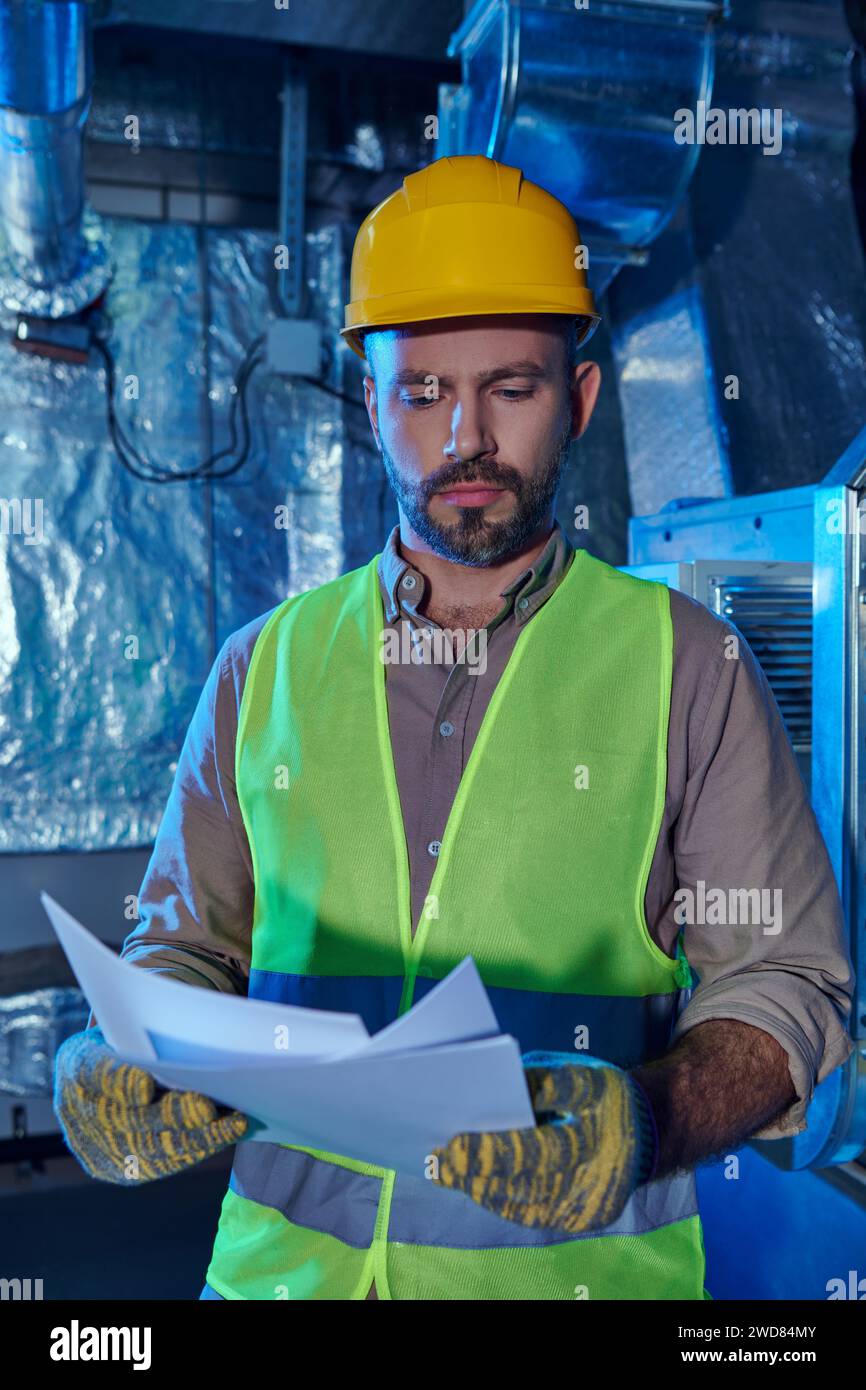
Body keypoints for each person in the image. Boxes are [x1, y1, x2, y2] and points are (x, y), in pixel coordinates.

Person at [54, 154, 854, 1301]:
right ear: (370, 396)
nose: (463, 438)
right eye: (421, 391)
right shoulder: (261, 666)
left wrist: (645, 1119)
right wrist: (121, 1060)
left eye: (511, 388)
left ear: (576, 400)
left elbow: (783, 984)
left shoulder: (690, 667)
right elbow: (186, 952)